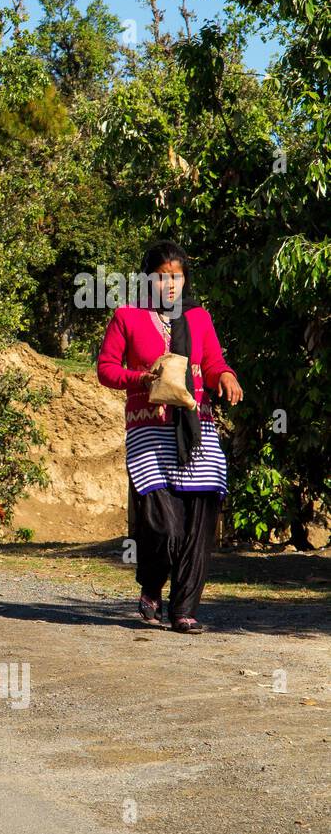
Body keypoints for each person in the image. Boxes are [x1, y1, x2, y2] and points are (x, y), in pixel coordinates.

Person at [97, 241, 243, 634]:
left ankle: (184, 609)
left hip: (198, 428)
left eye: (176, 276)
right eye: (162, 277)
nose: (170, 284)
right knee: (163, 526)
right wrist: (141, 379)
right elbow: (107, 369)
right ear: (148, 279)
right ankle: (151, 585)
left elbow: (212, 363)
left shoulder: (198, 318)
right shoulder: (127, 317)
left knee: (199, 519)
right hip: (149, 430)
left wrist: (225, 377)